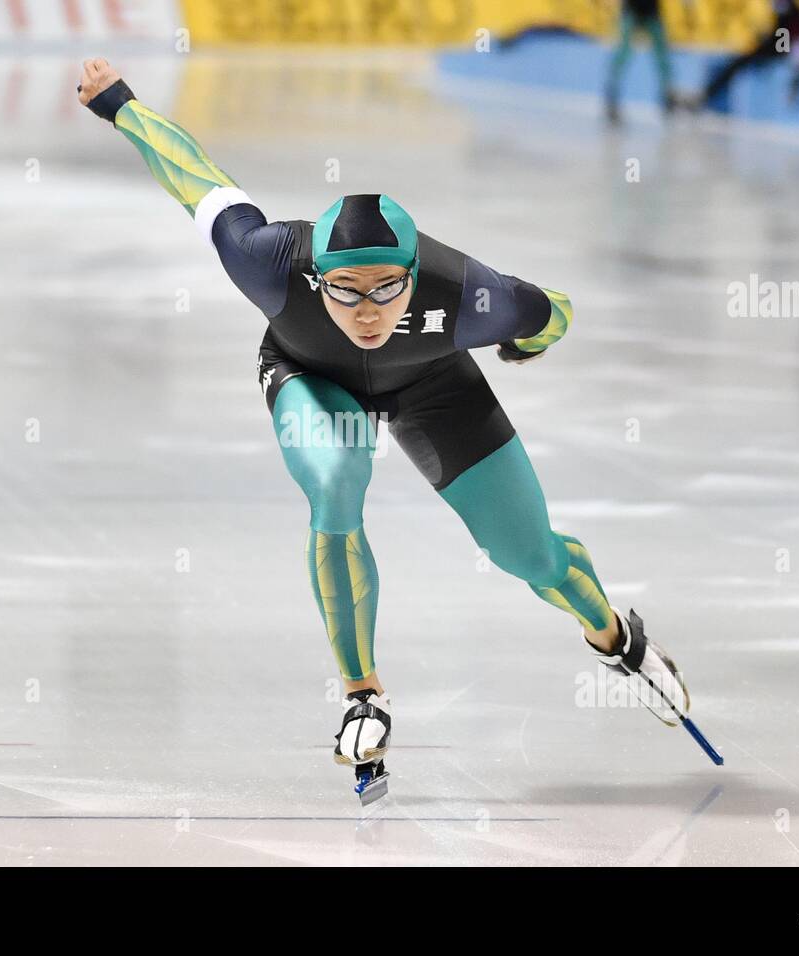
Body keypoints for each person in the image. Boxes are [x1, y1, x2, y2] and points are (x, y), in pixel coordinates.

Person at [76, 58, 697, 802]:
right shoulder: (269, 260)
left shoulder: (467, 293)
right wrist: (121, 105)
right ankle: (362, 695)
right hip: (312, 377)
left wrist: (520, 343)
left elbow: (551, 311)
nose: (366, 310)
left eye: (386, 290)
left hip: (434, 386)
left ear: (414, 274)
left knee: (527, 554)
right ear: (317, 278)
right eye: (344, 290)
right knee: (337, 482)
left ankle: (615, 636)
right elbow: (196, 178)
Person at [605, 0, 675, 123]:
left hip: (651, 11)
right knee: (623, 54)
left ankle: (668, 95)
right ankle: (612, 95)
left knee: (661, 56)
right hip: (631, 10)